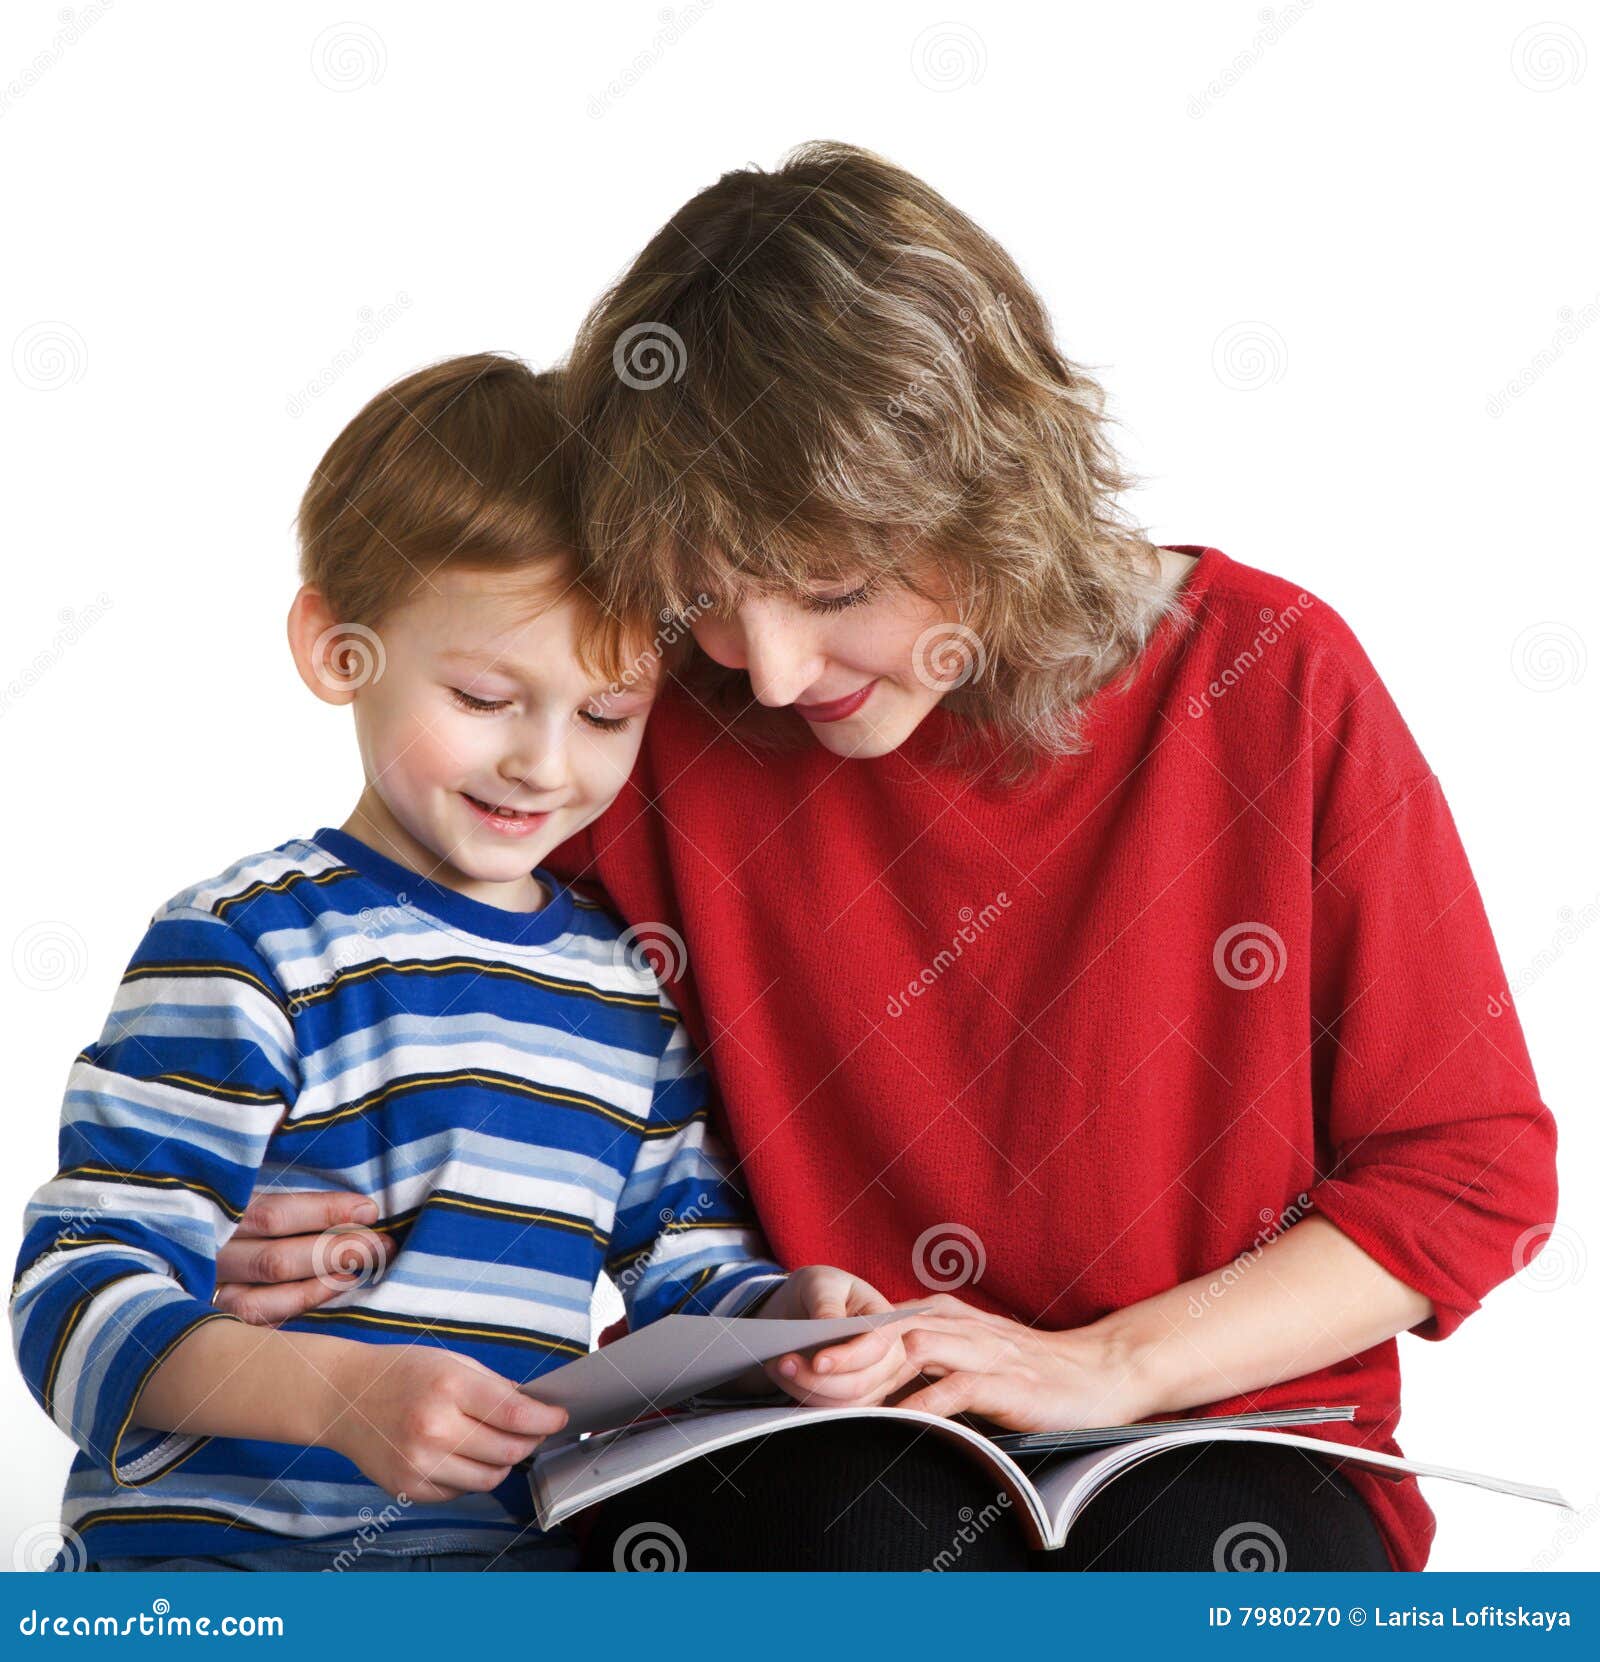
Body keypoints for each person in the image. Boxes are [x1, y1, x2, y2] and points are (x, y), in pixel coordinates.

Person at [215, 145, 1560, 1572]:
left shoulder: (1269, 677)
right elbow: (438, 992)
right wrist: (286, 1203)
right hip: (814, 1444)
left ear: (997, 496)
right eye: (707, 598)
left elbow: (1466, 1171)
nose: (772, 671)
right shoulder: (647, 726)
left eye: (835, 587)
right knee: (868, 1546)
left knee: (1200, 1566)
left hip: (1226, 1440)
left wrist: (1109, 1366)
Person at [9, 352, 905, 1573]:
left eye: (605, 715)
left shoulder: (624, 994)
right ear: (339, 650)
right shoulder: (246, 949)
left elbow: (683, 1271)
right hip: (217, 1588)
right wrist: (337, 1398)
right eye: (485, 697)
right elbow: (74, 1302)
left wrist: (785, 1320)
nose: (544, 763)